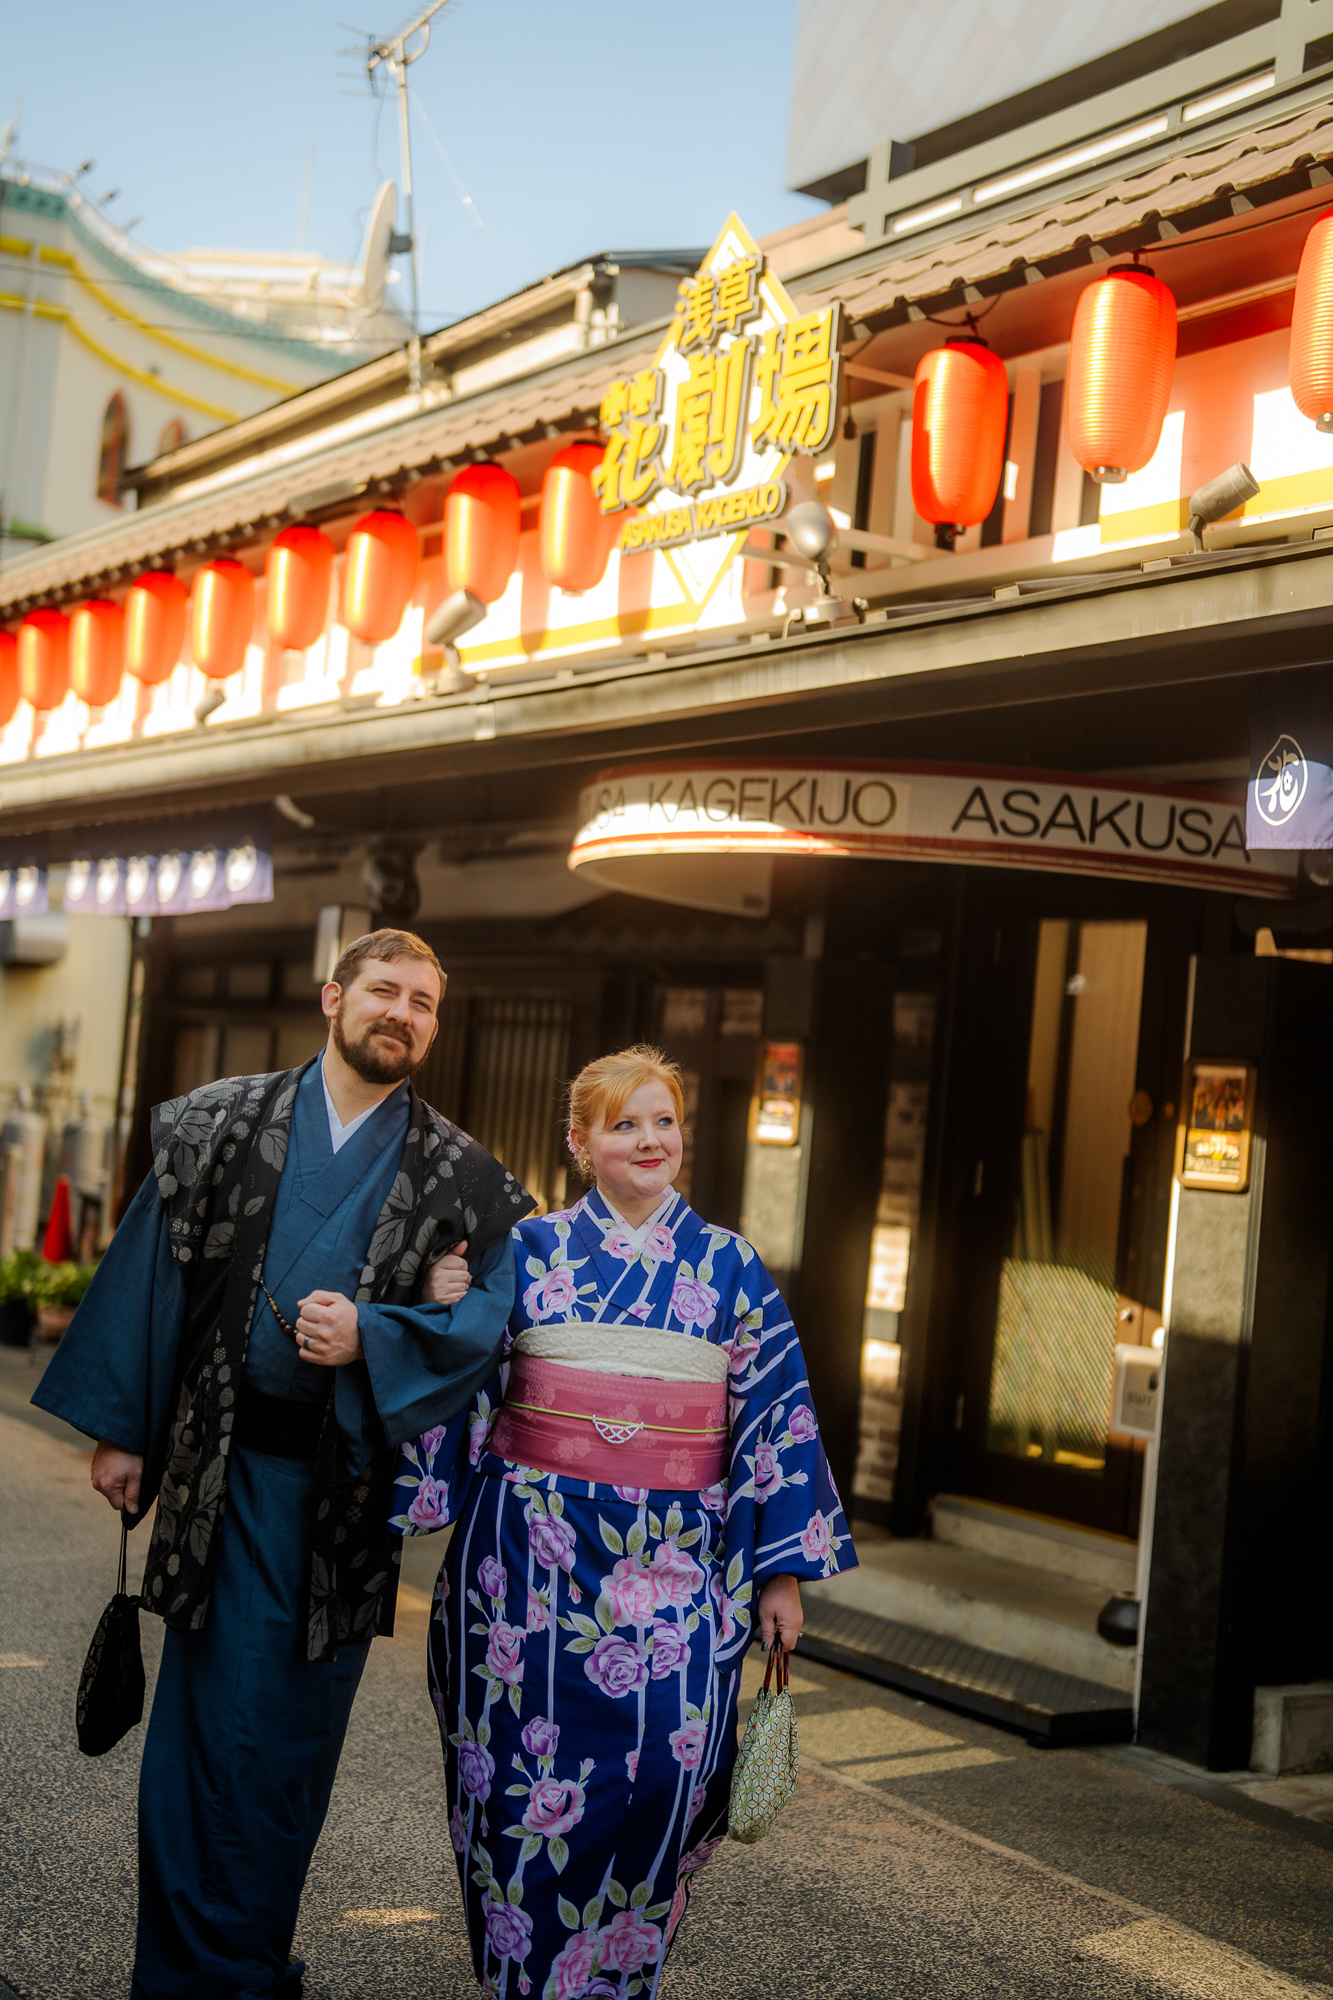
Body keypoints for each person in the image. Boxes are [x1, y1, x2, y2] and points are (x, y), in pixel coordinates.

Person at [34, 927, 534, 2000]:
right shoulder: (222, 1123)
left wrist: (382, 1333)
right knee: (200, 1739)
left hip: (341, 1501)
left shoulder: (464, 1174)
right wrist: (127, 1426)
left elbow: (489, 1323)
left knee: (289, 1749)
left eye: (424, 1001)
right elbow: (153, 1268)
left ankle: (247, 1962)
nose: (402, 1012)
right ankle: (183, 1974)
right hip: (221, 1473)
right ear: (331, 996)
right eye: (384, 989)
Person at [392, 1044, 856, 2000]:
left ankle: (616, 1978)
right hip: (525, 1562)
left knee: (663, 1786)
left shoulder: (731, 1266)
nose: (650, 1140)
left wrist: (777, 1575)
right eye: (624, 1124)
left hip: (677, 1566)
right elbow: (464, 1378)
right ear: (580, 1143)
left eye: (663, 1121)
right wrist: (445, 1313)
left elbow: (775, 1416)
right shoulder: (525, 1250)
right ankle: (520, 1977)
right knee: (515, 1787)